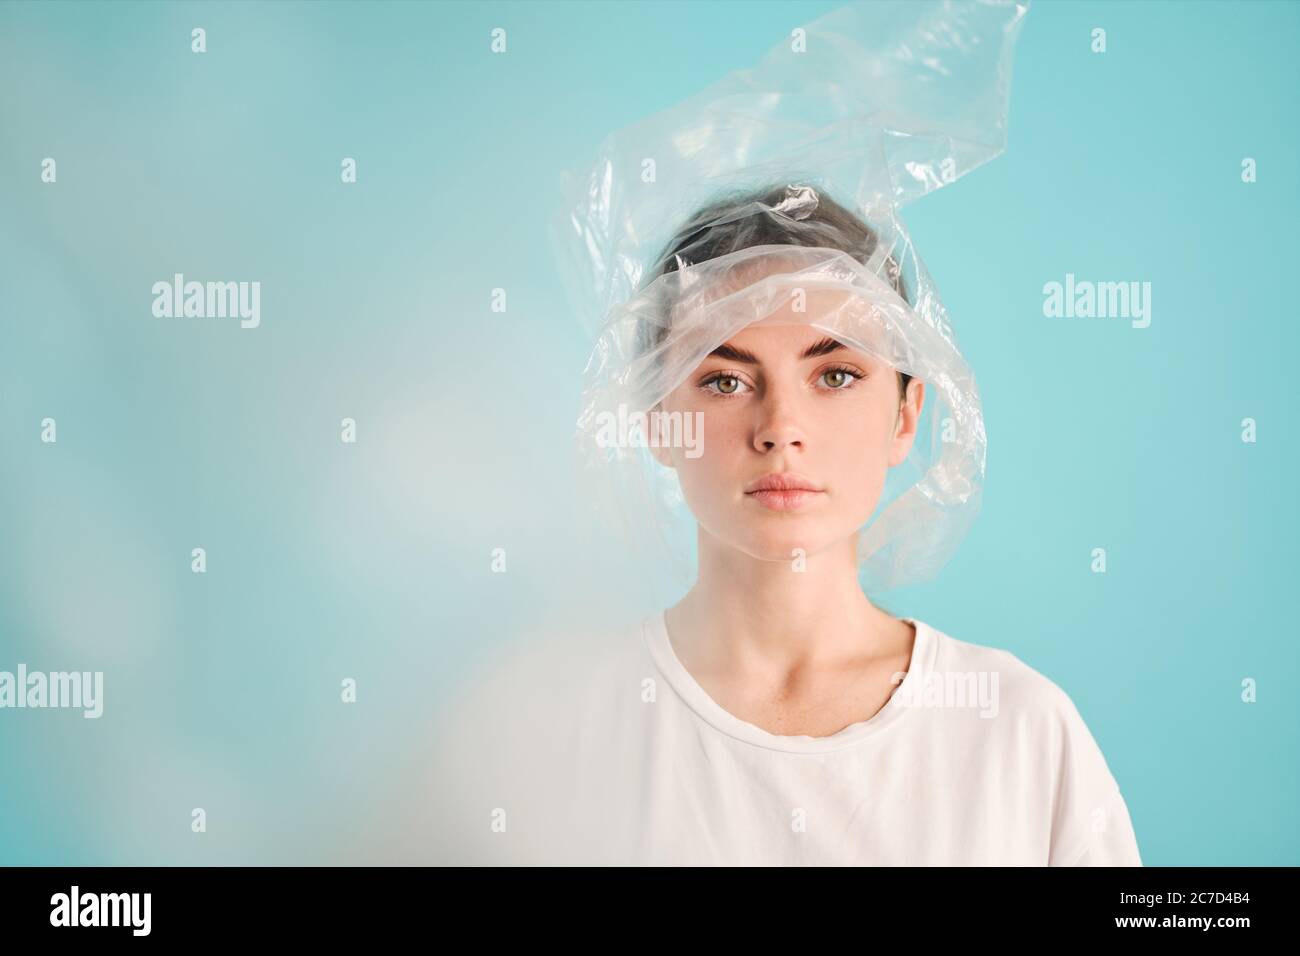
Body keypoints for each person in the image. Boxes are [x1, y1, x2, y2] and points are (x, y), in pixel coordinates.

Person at [424, 185, 1143, 866]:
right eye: (725, 380)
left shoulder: (1016, 729)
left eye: (834, 375)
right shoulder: (558, 730)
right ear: (658, 423)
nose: (780, 429)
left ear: (906, 414)